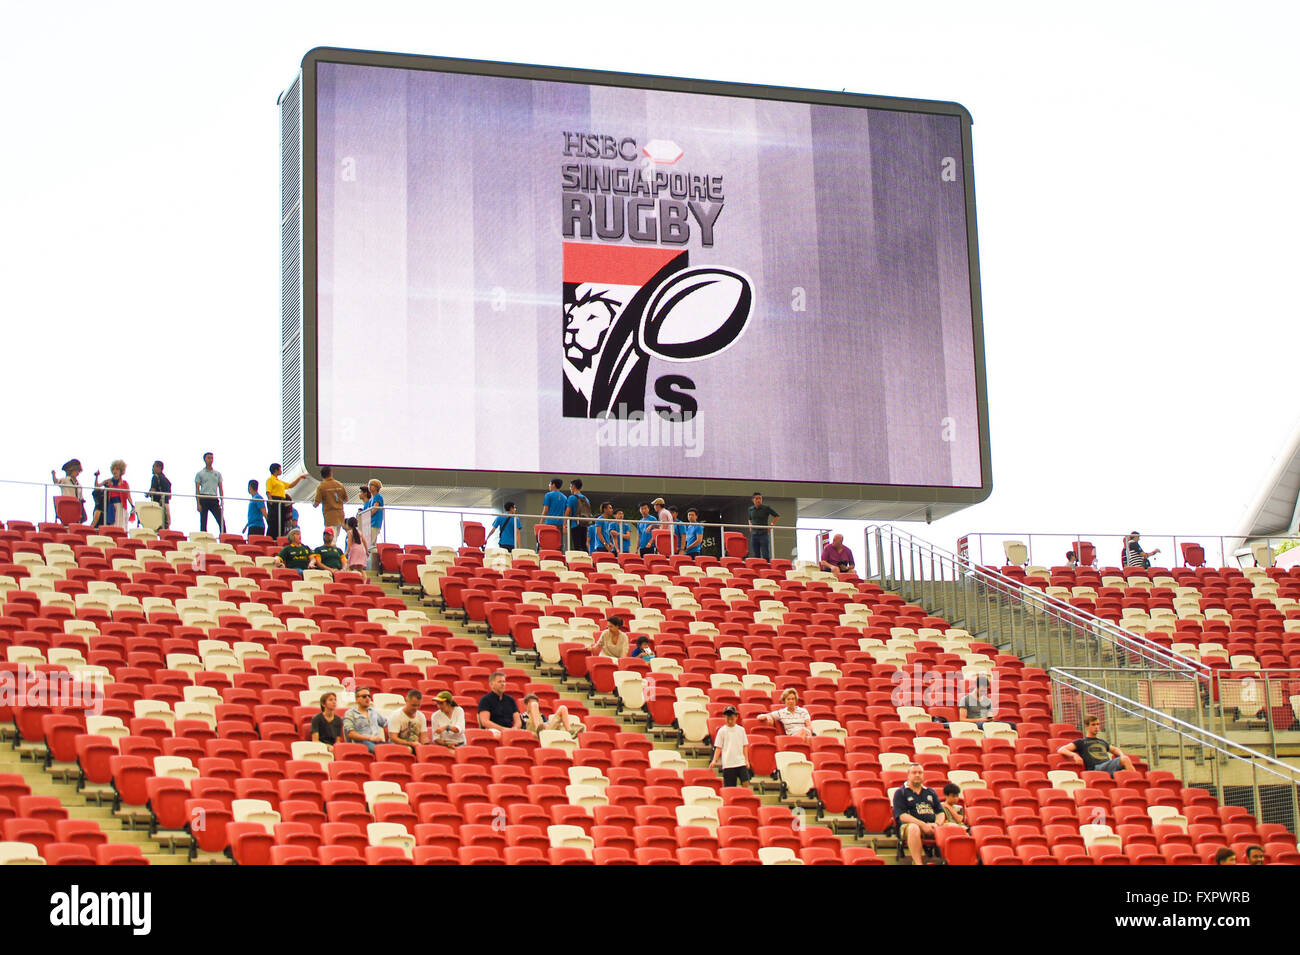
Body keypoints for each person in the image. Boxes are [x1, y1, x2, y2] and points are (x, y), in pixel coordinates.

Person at [893, 762, 943, 865]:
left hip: (932, 825)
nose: (917, 775)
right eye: (914, 772)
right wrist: (922, 825)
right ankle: (918, 863)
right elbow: (902, 816)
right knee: (913, 828)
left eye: (920, 772)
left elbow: (940, 812)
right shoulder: (900, 792)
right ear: (908, 775)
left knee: (952, 827)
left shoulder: (931, 792)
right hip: (909, 826)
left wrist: (937, 824)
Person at [1057, 715, 1135, 776]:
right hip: (1096, 768)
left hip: (1107, 766)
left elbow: (1115, 749)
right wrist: (1074, 755)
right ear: (1086, 726)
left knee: (1124, 762)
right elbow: (1061, 749)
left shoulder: (1102, 742)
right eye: (1093, 725)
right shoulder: (1081, 742)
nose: (1096, 727)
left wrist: (1121, 755)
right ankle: (1135, 781)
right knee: (1125, 759)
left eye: (1098, 724)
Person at [708, 705, 749, 787]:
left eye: (732, 717)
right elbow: (718, 747)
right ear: (724, 717)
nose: (730, 720)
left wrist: (746, 760)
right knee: (730, 786)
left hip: (740, 761)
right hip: (728, 763)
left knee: (745, 782)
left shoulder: (741, 730)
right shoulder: (722, 731)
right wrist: (714, 760)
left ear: (736, 717)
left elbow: (745, 746)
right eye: (727, 717)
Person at [343, 686, 388, 753]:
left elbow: (387, 723)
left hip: (377, 742)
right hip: (361, 743)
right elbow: (350, 733)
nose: (367, 698)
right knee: (379, 751)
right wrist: (369, 738)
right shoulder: (350, 713)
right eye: (364, 696)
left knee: (395, 749)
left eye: (369, 696)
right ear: (357, 699)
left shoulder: (373, 711)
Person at [265, 463, 304, 539]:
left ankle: (279, 537)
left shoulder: (279, 481)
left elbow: (290, 485)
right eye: (280, 469)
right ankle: (271, 537)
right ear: (276, 470)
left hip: (281, 501)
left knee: (281, 520)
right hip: (275, 500)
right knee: (274, 520)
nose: (281, 471)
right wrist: (270, 500)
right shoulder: (270, 480)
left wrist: (300, 478)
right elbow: (268, 491)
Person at [477, 671, 521, 736]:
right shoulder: (485, 700)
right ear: (491, 684)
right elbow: (485, 722)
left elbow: (518, 721)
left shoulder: (510, 700)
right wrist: (503, 729)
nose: (503, 684)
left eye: (504, 681)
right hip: (494, 730)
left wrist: (515, 728)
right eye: (500, 682)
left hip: (510, 730)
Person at [521, 693, 585, 738]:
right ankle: (538, 728)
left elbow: (547, 724)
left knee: (563, 708)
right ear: (526, 705)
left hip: (545, 732)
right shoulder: (522, 716)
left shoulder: (542, 716)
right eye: (531, 703)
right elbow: (522, 729)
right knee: (541, 727)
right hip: (533, 732)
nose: (534, 705)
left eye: (536, 703)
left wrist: (545, 725)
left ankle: (570, 731)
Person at [313, 466, 349, 542]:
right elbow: (346, 499)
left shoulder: (321, 487)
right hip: (340, 515)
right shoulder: (340, 485)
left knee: (331, 538)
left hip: (329, 516)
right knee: (336, 537)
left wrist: (313, 504)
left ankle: (332, 552)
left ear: (322, 475)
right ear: (331, 473)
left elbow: (316, 503)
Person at [193, 452, 225, 533]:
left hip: (214, 498)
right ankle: (203, 538)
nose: (210, 460)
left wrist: (222, 500)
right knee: (203, 521)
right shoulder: (200, 473)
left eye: (211, 458)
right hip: (204, 497)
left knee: (221, 521)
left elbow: (220, 487)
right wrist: (198, 503)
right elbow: (197, 489)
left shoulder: (217, 474)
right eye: (208, 458)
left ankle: (224, 537)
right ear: (205, 459)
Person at [98, 460, 134, 529]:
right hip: (111, 506)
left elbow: (128, 496)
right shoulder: (108, 481)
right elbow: (98, 485)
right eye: (113, 469)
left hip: (121, 506)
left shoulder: (125, 483)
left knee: (121, 526)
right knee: (112, 526)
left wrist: (132, 506)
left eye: (117, 469)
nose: (115, 471)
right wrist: (96, 477)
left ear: (121, 471)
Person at [747, 491, 779, 561]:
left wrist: (771, 525)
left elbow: (776, 516)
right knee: (756, 554)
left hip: (763, 534)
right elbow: (749, 519)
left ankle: (767, 568)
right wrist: (750, 526)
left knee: (765, 554)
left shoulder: (766, 508)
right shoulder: (750, 509)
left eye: (760, 498)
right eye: (757, 499)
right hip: (754, 534)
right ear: (753, 500)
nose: (758, 500)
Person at [565, 478, 592, 552]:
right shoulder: (586, 499)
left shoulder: (572, 498)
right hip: (585, 523)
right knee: (583, 545)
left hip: (575, 524)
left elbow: (567, 512)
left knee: (577, 545)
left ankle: (579, 562)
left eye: (570, 486)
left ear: (573, 486)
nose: (570, 488)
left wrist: (565, 524)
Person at [147, 461, 172, 530]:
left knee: (157, 525)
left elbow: (153, 490)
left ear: (159, 467)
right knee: (166, 525)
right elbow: (170, 496)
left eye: (154, 467)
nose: (152, 469)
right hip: (166, 504)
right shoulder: (166, 480)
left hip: (158, 505)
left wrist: (148, 494)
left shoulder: (155, 477)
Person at [366, 479, 385, 544]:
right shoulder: (371, 499)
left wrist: (367, 516)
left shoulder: (378, 496)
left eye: (371, 485)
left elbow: (375, 509)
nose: (369, 487)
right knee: (370, 541)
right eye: (369, 485)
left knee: (372, 541)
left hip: (375, 522)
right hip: (371, 522)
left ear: (376, 487)